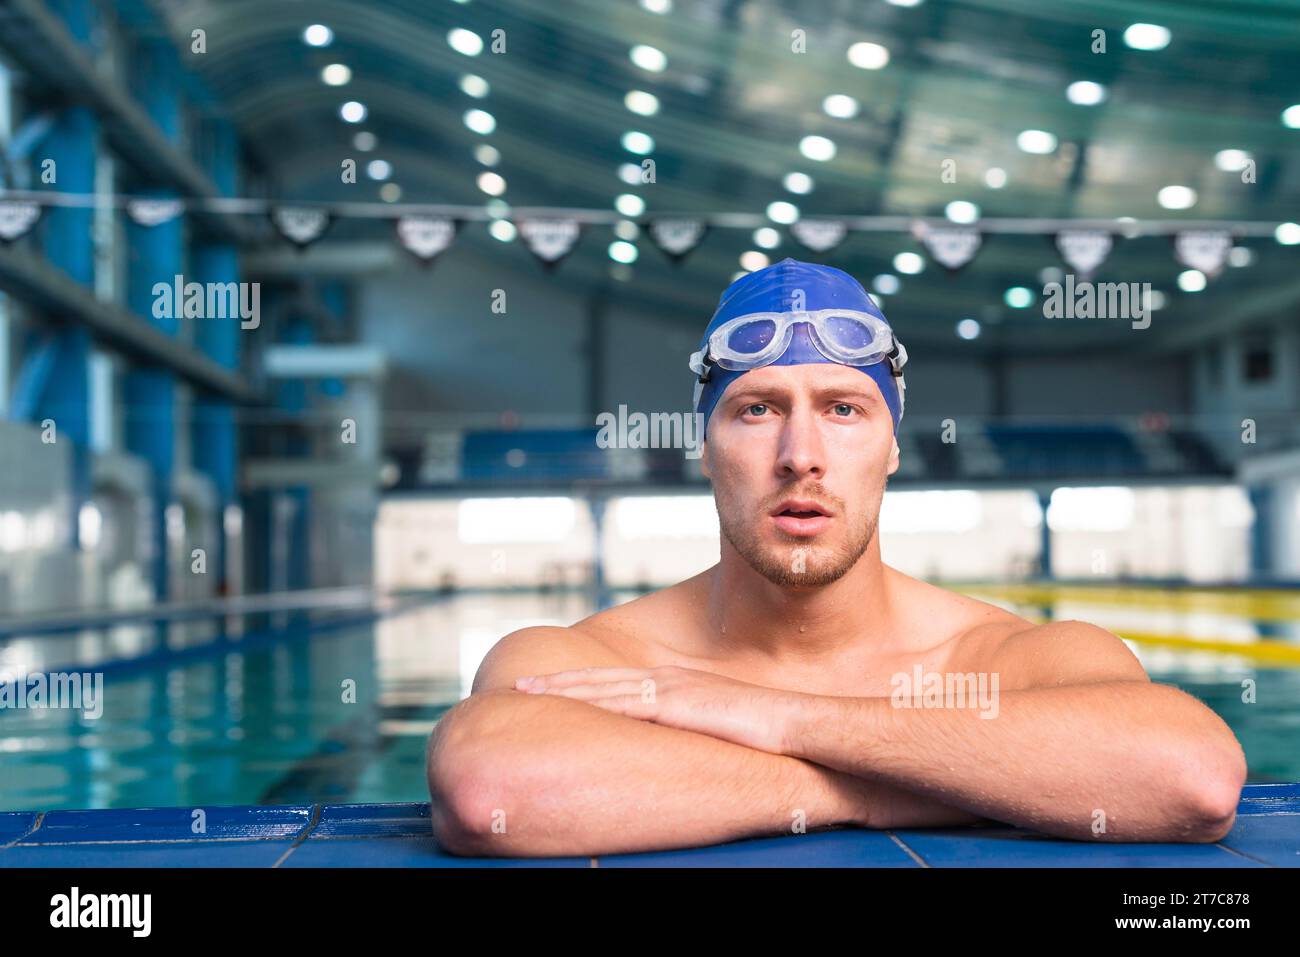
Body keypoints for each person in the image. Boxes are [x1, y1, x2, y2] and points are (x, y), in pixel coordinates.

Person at [426, 257, 1246, 857]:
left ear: (892, 446)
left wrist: (782, 719)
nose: (800, 454)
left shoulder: (1017, 655)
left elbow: (1194, 778)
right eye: (756, 410)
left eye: (844, 408)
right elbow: (489, 789)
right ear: (704, 449)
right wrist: (913, 780)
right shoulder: (587, 659)